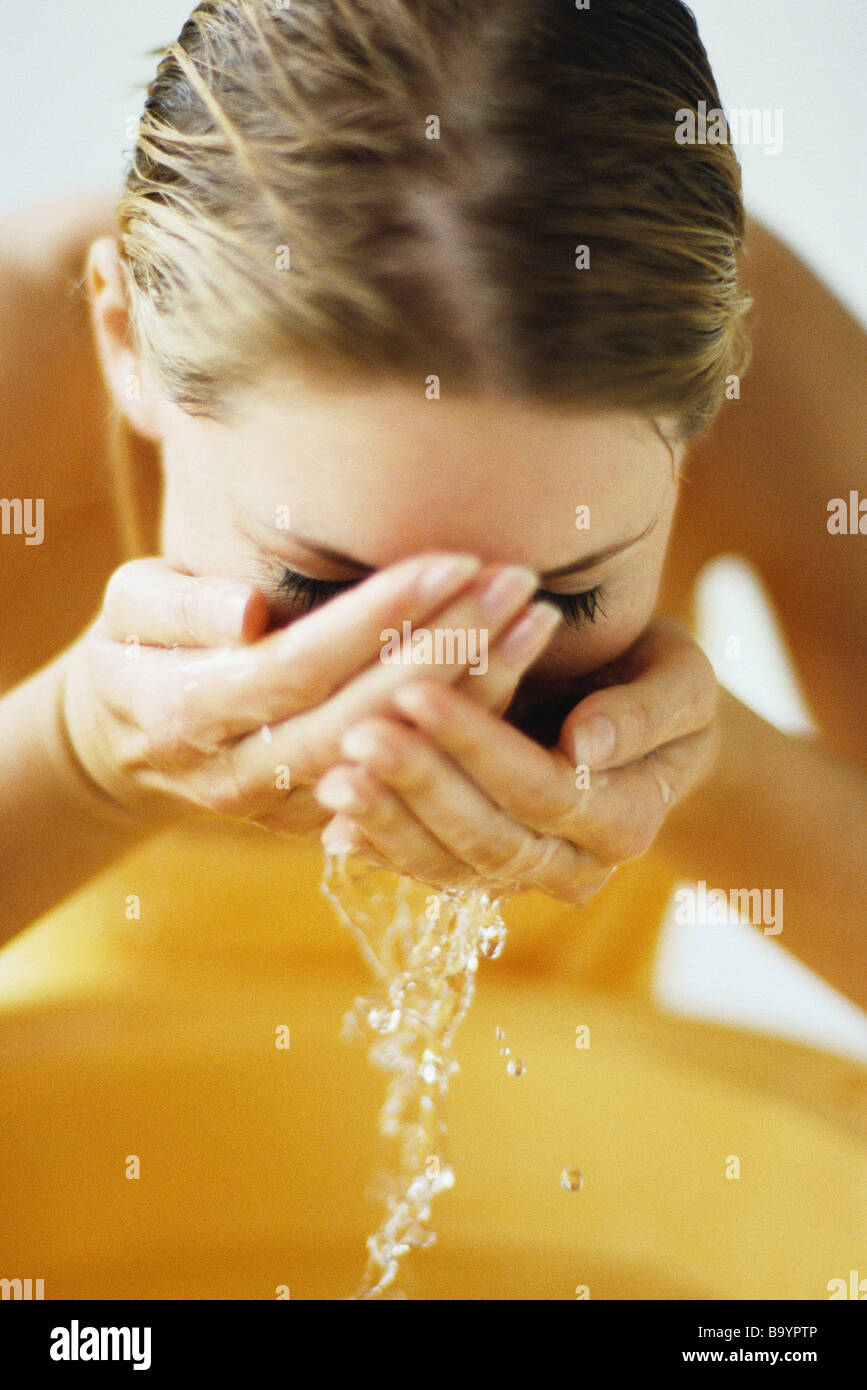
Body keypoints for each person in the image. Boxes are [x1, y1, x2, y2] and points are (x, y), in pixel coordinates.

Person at [0, 0, 864, 1300]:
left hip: (588, 1136)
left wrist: (708, 771)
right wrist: (76, 756)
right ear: (127, 340)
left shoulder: (774, 370)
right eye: (317, 584)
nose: (432, 682)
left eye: (561, 598)